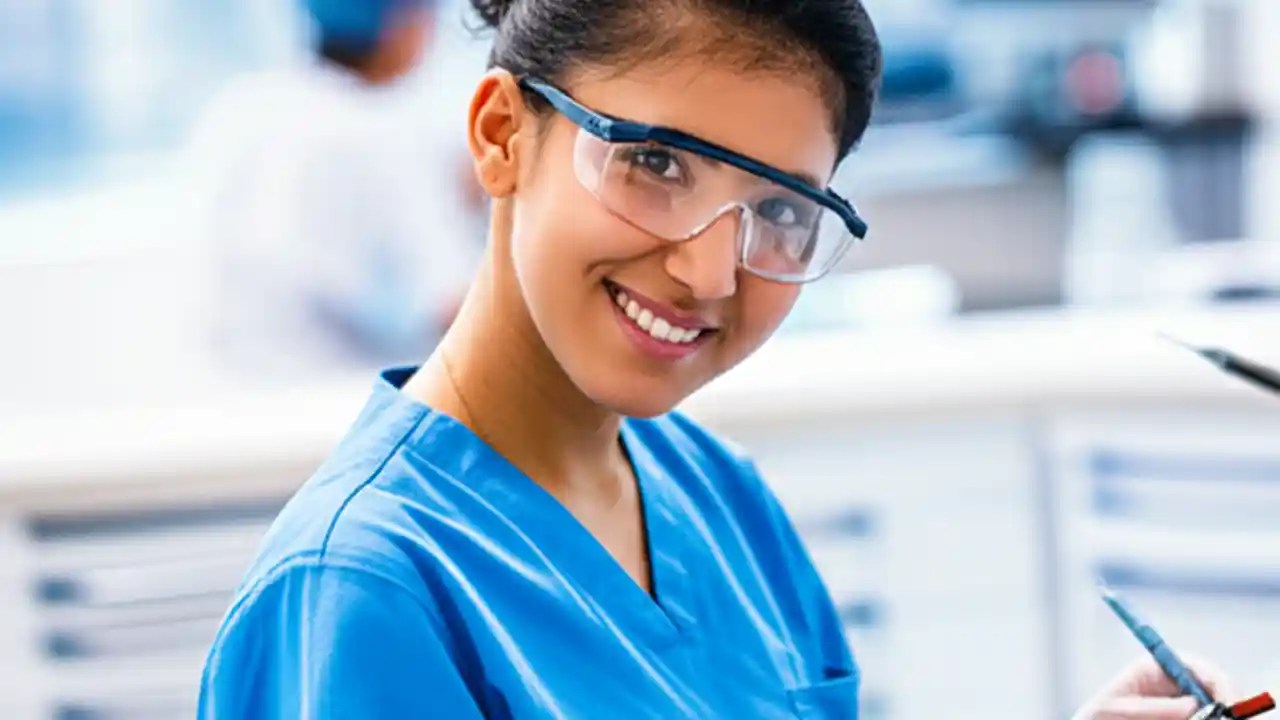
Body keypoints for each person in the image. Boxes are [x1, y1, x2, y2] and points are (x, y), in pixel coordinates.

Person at [197, 0, 1232, 717]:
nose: (705, 272)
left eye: (779, 211)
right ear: (501, 134)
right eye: (653, 162)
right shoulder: (357, 596)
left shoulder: (715, 498)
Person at [187, 0, 475, 376]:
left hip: (232, 387)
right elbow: (452, 308)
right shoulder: (376, 132)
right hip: (339, 394)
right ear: (398, 24)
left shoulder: (241, 108)